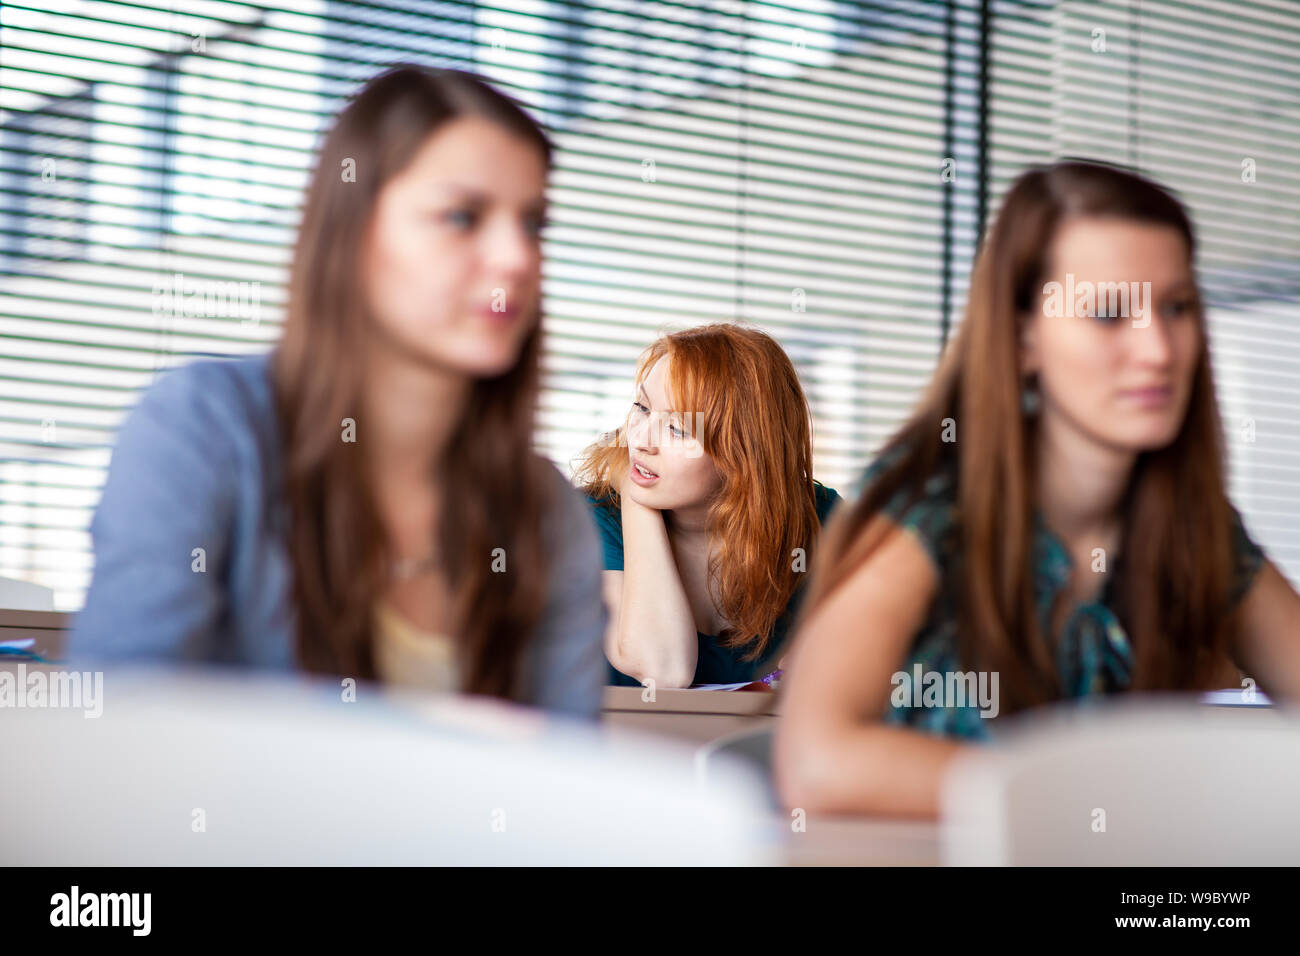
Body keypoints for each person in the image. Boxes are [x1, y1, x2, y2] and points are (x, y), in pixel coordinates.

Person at [69, 65, 608, 718]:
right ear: (351, 234)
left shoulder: (546, 514)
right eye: (462, 216)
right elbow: (123, 734)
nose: (518, 258)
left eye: (533, 223)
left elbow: (559, 783)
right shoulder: (203, 428)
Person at [776, 160, 1300, 816]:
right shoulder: (932, 507)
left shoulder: (1194, 523)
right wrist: (1093, 798)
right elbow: (817, 763)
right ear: (1024, 336)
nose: (1160, 349)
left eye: (1177, 307)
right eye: (1110, 313)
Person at [576, 323, 841, 688]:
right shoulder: (592, 519)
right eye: (642, 407)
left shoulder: (819, 517)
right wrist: (634, 493)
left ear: (744, 454)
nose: (640, 440)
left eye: (678, 429)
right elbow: (664, 671)